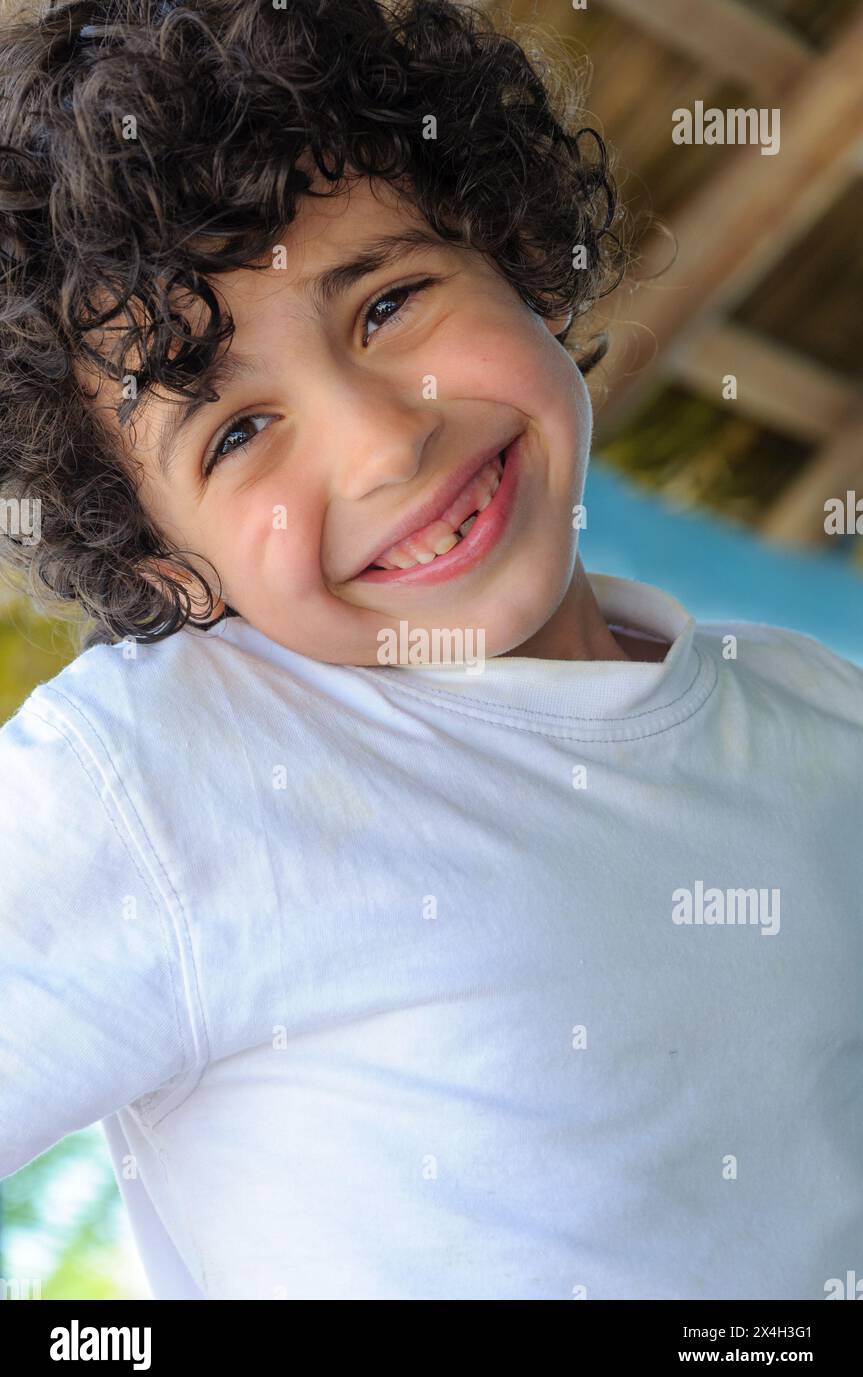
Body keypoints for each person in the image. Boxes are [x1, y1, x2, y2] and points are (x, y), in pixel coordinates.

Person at [1, 0, 860, 1300]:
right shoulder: (159, 778)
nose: (381, 441)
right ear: (166, 566)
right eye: (234, 434)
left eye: (389, 301)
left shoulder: (817, 712)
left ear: (518, 256)